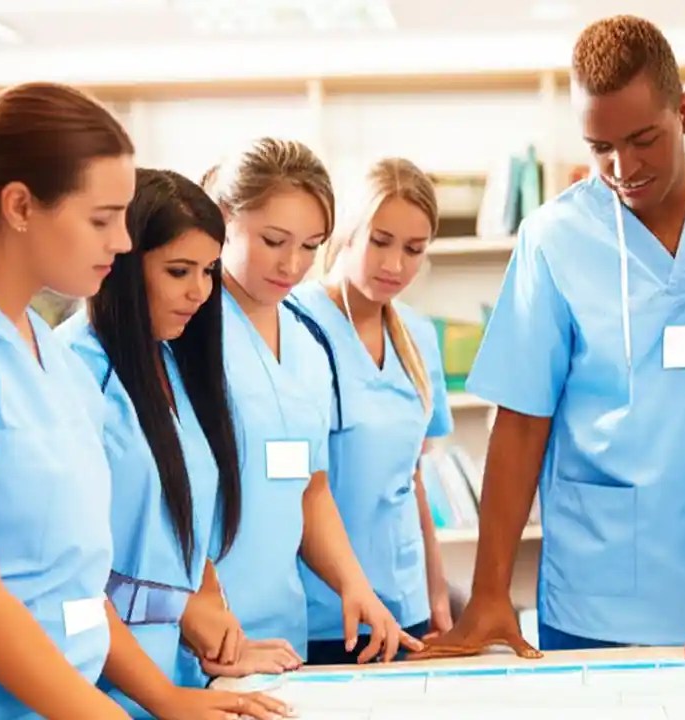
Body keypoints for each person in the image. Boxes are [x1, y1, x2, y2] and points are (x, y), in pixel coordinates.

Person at [0, 83, 284, 720]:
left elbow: (74, 582)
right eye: (102, 219)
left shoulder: (45, 352)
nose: (122, 242)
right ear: (19, 206)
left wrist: (164, 699)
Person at [419, 15, 685, 657]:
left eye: (643, 140)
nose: (623, 166)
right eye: (599, 147)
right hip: (598, 590)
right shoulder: (554, 238)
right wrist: (490, 591)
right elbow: (521, 420)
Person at [58, 168, 305, 715]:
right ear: (122, 263)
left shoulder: (173, 360)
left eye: (208, 270)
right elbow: (69, 580)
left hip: (176, 676)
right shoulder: (73, 371)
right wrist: (177, 625)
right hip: (104, 689)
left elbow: (180, 525)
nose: (200, 291)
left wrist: (216, 629)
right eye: (178, 271)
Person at [202, 138, 421, 668]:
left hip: (283, 633)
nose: (293, 264)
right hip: (208, 634)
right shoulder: (189, 331)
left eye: (310, 245)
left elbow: (311, 487)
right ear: (224, 217)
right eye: (274, 240)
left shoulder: (307, 344)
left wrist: (353, 585)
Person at [293, 158, 455, 664]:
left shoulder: (419, 334)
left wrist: (436, 594)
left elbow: (413, 479)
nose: (395, 265)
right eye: (380, 241)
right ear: (346, 230)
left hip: (404, 605)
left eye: (413, 249)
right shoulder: (290, 322)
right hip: (323, 611)